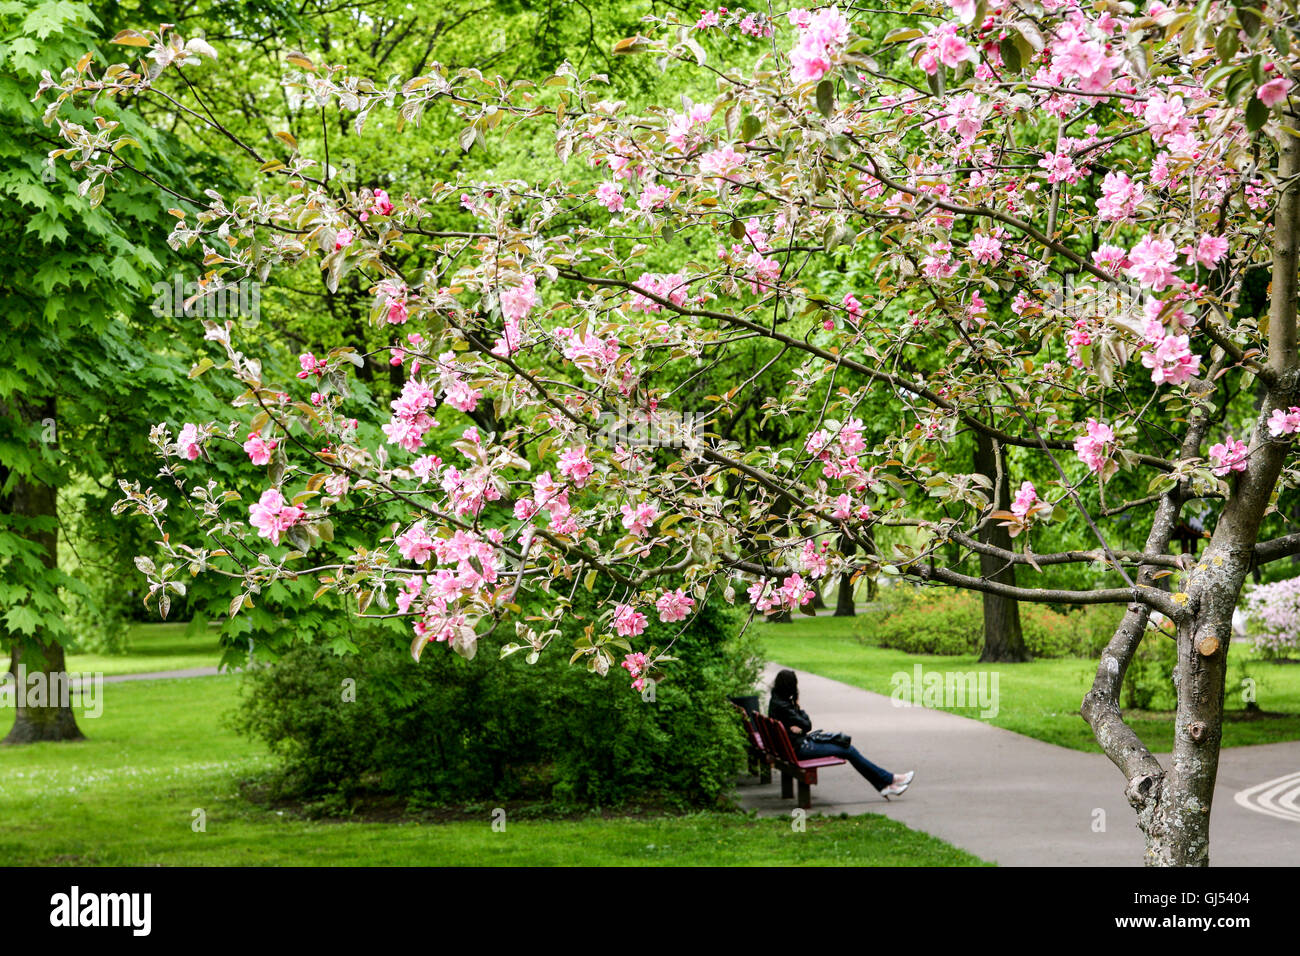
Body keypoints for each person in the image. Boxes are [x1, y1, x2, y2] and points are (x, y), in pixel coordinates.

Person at [767, 668, 914, 799]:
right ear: (791, 687)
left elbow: (803, 726)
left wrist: (799, 722)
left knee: (843, 746)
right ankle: (890, 780)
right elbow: (807, 724)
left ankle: (887, 784)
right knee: (848, 750)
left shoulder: (777, 701)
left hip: (793, 747)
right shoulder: (785, 706)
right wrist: (798, 707)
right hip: (800, 749)